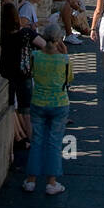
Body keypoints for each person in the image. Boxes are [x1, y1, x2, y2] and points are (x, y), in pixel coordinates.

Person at [22, 35, 70, 196]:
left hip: (39, 102)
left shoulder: (35, 56)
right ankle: (51, 183)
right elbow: (69, 78)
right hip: (59, 103)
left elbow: (31, 72)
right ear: (58, 41)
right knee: (54, 143)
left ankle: (31, 181)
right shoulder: (63, 59)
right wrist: (65, 55)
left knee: (37, 141)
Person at [0, 0, 33, 149]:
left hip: (6, 73)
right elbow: (43, 43)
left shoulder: (3, 35)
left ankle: (21, 137)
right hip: (21, 73)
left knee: (15, 107)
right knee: (19, 108)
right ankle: (24, 137)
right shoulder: (24, 34)